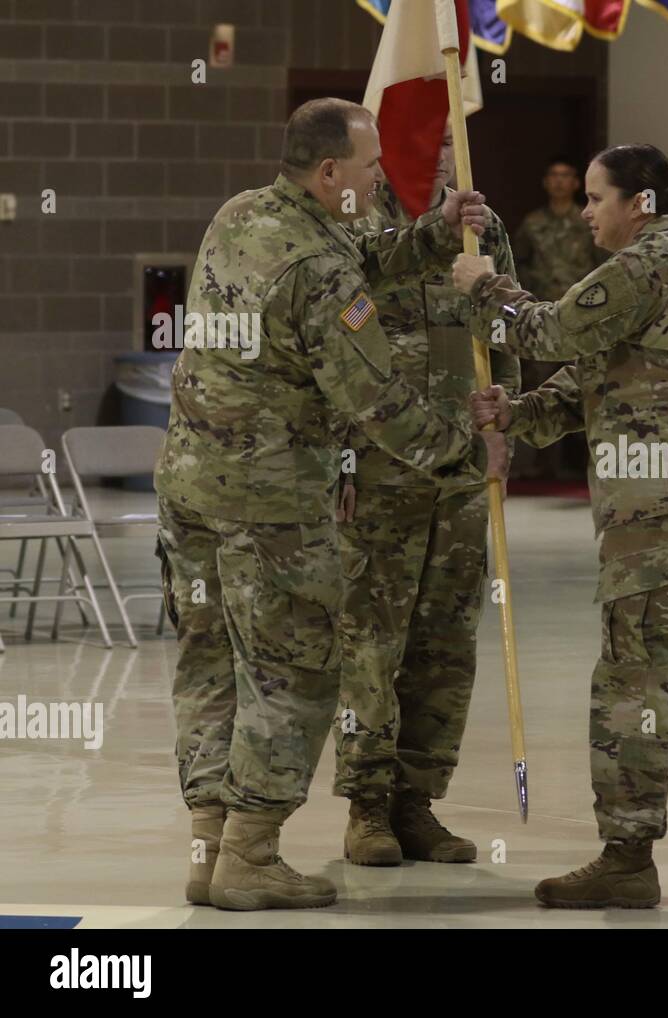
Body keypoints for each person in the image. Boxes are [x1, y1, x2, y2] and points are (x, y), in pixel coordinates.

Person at [155, 97, 506, 911]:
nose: (382, 175)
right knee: (296, 674)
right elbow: (375, 399)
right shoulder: (320, 268)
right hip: (267, 500)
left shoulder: (240, 216)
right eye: (370, 165)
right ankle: (252, 852)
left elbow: (350, 256)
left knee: (209, 667)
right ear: (329, 173)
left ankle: (209, 850)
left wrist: (425, 233)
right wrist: (465, 450)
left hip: (188, 486)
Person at [453, 143, 668, 908]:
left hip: (663, 510)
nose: (587, 211)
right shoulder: (650, 271)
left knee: (632, 681)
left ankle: (627, 856)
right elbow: (586, 380)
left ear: (640, 203)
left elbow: (547, 332)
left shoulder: (651, 261)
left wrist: (483, 289)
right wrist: (517, 412)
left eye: (598, 197)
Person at [331, 145, 520, 864]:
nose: (441, 147)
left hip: (462, 462)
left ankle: (417, 802)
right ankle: (368, 806)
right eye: (427, 134)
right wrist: (338, 459)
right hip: (380, 465)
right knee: (372, 641)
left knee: (446, 640)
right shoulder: (353, 220)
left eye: (451, 133)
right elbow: (329, 349)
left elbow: (503, 324)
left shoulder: (483, 226)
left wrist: (508, 424)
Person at [510, 157, 606, 481]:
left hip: (582, 318)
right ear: (546, 182)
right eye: (554, 175)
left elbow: (602, 267)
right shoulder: (533, 223)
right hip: (543, 318)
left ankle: (580, 464)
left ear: (576, 182)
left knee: (584, 384)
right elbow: (517, 263)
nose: (560, 181)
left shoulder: (587, 221)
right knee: (541, 385)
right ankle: (543, 465)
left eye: (566, 176)